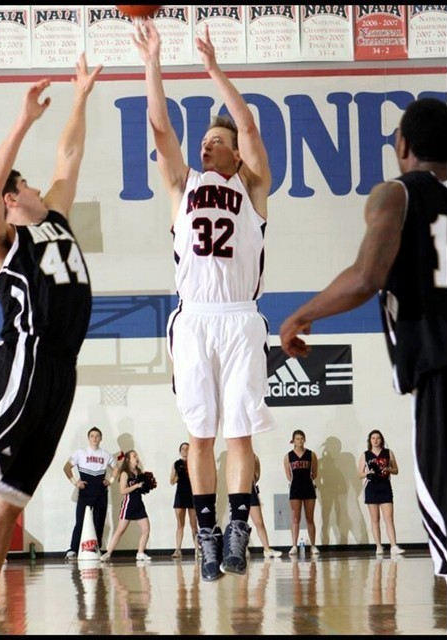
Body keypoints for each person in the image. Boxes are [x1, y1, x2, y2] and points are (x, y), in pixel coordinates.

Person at [0, 54, 101, 635]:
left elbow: (71, 154)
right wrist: (22, 121)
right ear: (12, 198)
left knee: (10, 495)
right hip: (25, 363)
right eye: (22, 182)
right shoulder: (0, 239)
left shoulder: (55, 215)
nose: (35, 183)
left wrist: (80, 96)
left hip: (61, 372)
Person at [279, 97, 446, 580]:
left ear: (403, 145)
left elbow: (365, 276)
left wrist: (300, 315)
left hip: (439, 376)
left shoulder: (397, 194)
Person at [133, 19, 276, 581]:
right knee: (201, 435)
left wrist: (214, 69)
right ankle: (208, 534)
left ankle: (239, 525)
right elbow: (159, 123)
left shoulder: (253, 184)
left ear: (237, 153)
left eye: (218, 141)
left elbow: (247, 123)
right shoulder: (182, 183)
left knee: (238, 432)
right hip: (193, 319)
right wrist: (153, 60)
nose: (207, 143)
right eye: (205, 141)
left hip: (240, 317)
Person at [63, 427, 114, 560]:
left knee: (99, 522)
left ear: (101, 438)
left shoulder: (106, 454)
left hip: (101, 493)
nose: (95, 438)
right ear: (88, 438)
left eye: (97, 436)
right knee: (80, 521)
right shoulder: (81, 453)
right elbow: (66, 467)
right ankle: (73, 549)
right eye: (92, 436)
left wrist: (111, 480)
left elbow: (117, 469)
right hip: (86, 493)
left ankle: (96, 549)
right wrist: (76, 482)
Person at [100, 450, 154, 562]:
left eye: (137, 455)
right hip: (128, 504)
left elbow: (141, 488)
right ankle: (108, 553)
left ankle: (140, 553)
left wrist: (147, 486)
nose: (137, 457)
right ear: (128, 459)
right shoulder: (124, 473)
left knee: (146, 529)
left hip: (139, 504)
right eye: (134, 456)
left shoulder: (138, 472)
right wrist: (136, 486)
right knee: (120, 531)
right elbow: (122, 491)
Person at [357, 430, 404, 556]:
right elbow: (359, 474)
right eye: (373, 438)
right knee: (375, 519)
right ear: (370, 440)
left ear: (381, 440)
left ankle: (393, 545)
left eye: (378, 438)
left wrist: (389, 468)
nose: (376, 440)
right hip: (371, 487)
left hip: (385, 487)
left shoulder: (388, 453)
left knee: (389, 518)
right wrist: (368, 473)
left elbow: (396, 470)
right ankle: (378, 546)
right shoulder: (365, 455)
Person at [284, 429, 319, 556]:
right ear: (293, 440)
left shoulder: (311, 454)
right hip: (295, 488)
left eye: (302, 438)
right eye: (297, 438)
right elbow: (288, 475)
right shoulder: (288, 456)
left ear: (305, 439)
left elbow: (314, 473)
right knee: (295, 517)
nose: (300, 441)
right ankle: (294, 545)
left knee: (310, 518)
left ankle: (313, 545)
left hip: (308, 487)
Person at [250, 453, 281, 558]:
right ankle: (240, 549)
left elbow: (257, 475)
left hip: (251, 490)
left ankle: (267, 549)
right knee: (239, 523)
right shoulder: (234, 456)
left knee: (259, 522)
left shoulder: (254, 457)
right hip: (237, 493)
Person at [170, 442, 197, 559]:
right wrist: (179, 473)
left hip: (192, 495)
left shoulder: (195, 462)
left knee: (193, 524)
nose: (185, 451)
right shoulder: (176, 464)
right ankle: (178, 549)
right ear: (180, 451)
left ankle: (197, 549)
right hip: (181, 495)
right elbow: (171, 481)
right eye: (183, 449)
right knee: (180, 524)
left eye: (187, 448)